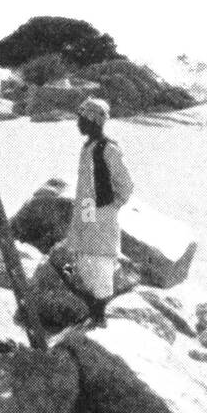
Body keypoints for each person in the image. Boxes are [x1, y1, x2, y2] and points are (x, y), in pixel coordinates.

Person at [65, 98, 134, 327]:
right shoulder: (88, 148)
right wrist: (86, 218)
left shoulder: (108, 148)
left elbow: (125, 184)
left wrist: (109, 207)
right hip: (88, 210)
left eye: (81, 119)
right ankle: (94, 314)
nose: (78, 123)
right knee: (86, 259)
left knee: (100, 263)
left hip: (102, 214)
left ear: (93, 120)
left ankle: (99, 316)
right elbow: (86, 188)